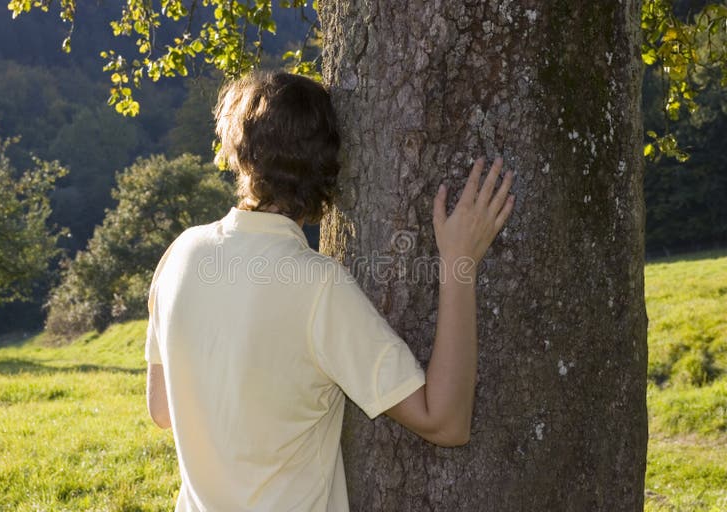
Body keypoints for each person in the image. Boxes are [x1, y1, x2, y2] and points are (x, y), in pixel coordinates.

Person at [144, 71, 516, 511]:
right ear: (329, 173)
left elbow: (164, 410)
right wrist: (459, 263)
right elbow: (446, 422)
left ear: (239, 155)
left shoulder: (181, 255)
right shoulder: (318, 286)